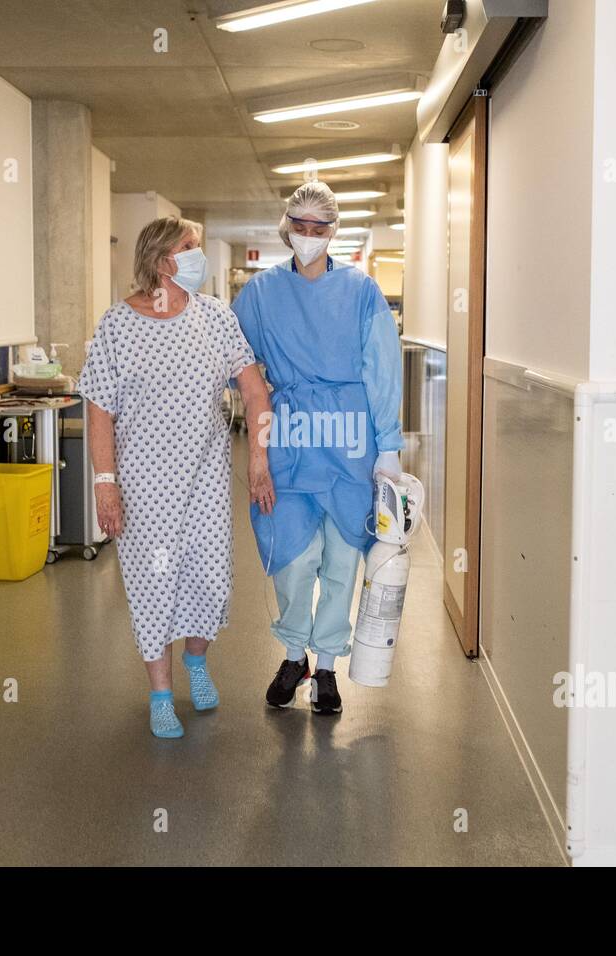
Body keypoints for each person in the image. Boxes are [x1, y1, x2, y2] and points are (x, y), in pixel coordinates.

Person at [79, 216, 274, 738]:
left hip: (206, 483)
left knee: (211, 580)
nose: (197, 254)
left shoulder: (215, 318)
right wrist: (105, 482)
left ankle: (195, 661)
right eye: (189, 246)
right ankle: (161, 694)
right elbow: (99, 407)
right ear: (163, 260)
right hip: (144, 489)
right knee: (154, 584)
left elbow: (255, 392)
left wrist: (258, 458)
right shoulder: (117, 326)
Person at [231, 182, 403, 715]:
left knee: (342, 558)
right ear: (287, 228)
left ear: (334, 231)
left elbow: (382, 368)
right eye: (299, 227)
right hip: (288, 437)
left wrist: (389, 445)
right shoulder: (260, 294)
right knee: (292, 555)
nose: (308, 237)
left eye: (319, 228)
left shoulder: (362, 291)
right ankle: (291, 653)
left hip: (351, 439)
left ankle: (326, 664)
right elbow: (233, 357)